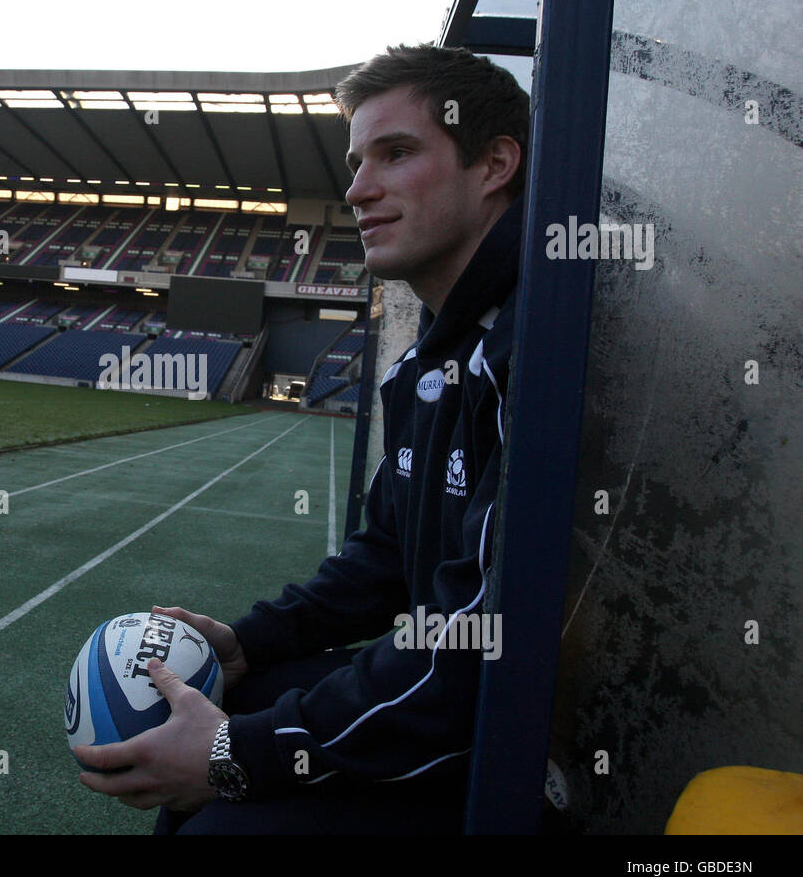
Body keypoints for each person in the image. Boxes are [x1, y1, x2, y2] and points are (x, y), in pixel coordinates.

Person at [77, 43, 530, 833]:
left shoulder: (531, 342)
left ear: (494, 164)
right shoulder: (436, 350)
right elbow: (386, 556)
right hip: (456, 703)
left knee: (221, 806)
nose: (357, 191)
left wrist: (238, 755)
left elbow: (475, 649)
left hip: (513, 745)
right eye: (356, 163)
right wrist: (250, 643)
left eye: (395, 154)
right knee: (225, 706)